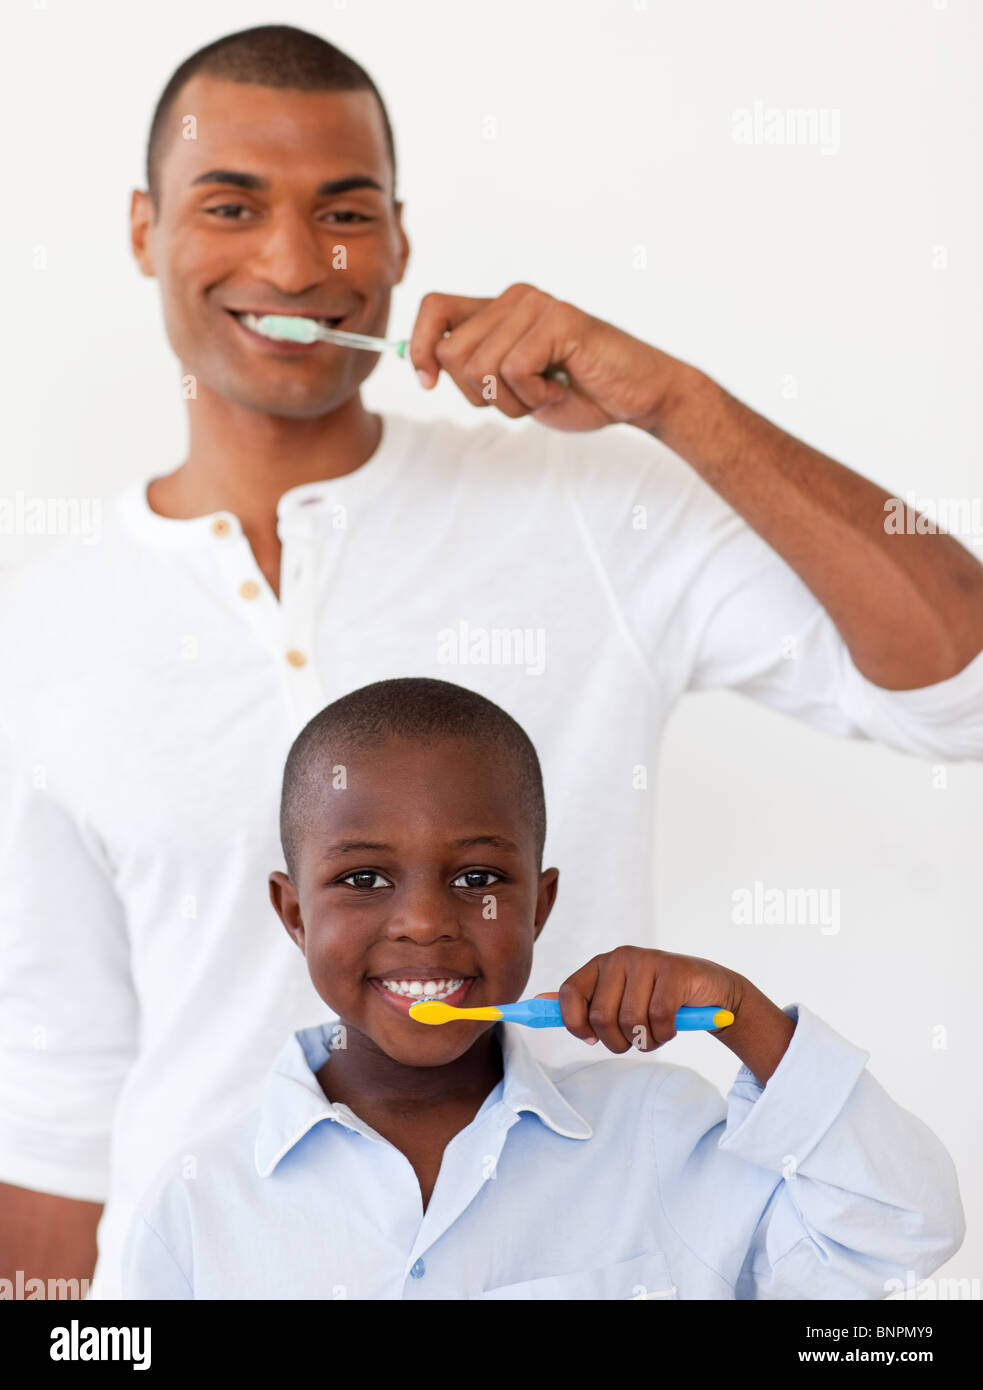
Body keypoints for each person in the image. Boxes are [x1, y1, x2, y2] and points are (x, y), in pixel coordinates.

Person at [2, 23, 981, 1300]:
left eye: (344, 214)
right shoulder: (39, 628)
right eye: (231, 203)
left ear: (402, 242)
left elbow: (959, 677)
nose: (294, 261)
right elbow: (56, 1101)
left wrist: (673, 402)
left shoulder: (591, 506)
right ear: (145, 228)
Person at [120, 678, 964, 1300]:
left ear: (538, 906)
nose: (421, 921)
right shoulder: (201, 1203)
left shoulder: (658, 1136)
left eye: (478, 875)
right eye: (365, 878)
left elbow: (901, 1229)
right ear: (294, 914)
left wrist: (737, 1011)